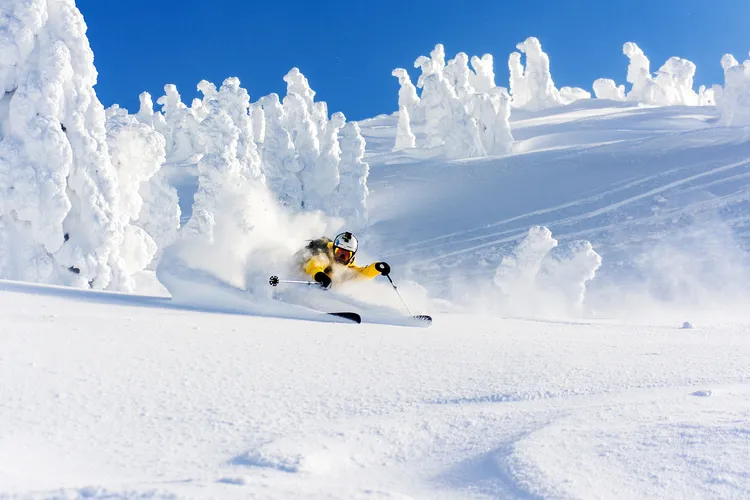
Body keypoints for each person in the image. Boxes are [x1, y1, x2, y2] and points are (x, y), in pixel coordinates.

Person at [295, 232, 390, 289]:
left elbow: (361, 274)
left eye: (345, 255)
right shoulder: (324, 256)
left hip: (322, 282)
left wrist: (377, 268)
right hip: (298, 276)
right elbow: (314, 265)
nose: (340, 257)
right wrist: (320, 276)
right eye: (338, 252)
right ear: (333, 249)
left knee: (345, 276)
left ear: (352, 256)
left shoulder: (347, 266)